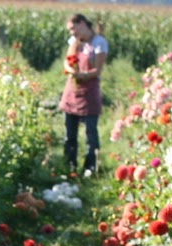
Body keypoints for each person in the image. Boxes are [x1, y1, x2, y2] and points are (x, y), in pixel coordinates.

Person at [60, 13, 108, 176]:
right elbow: (67, 60)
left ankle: (90, 167)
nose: (72, 33)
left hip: (89, 91)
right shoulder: (74, 42)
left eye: (73, 28)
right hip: (72, 91)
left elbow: (98, 70)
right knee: (69, 133)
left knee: (90, 133)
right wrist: (71, 70)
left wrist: (83, 75)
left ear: (82, 24)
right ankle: (69, 166)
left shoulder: (99, 43)